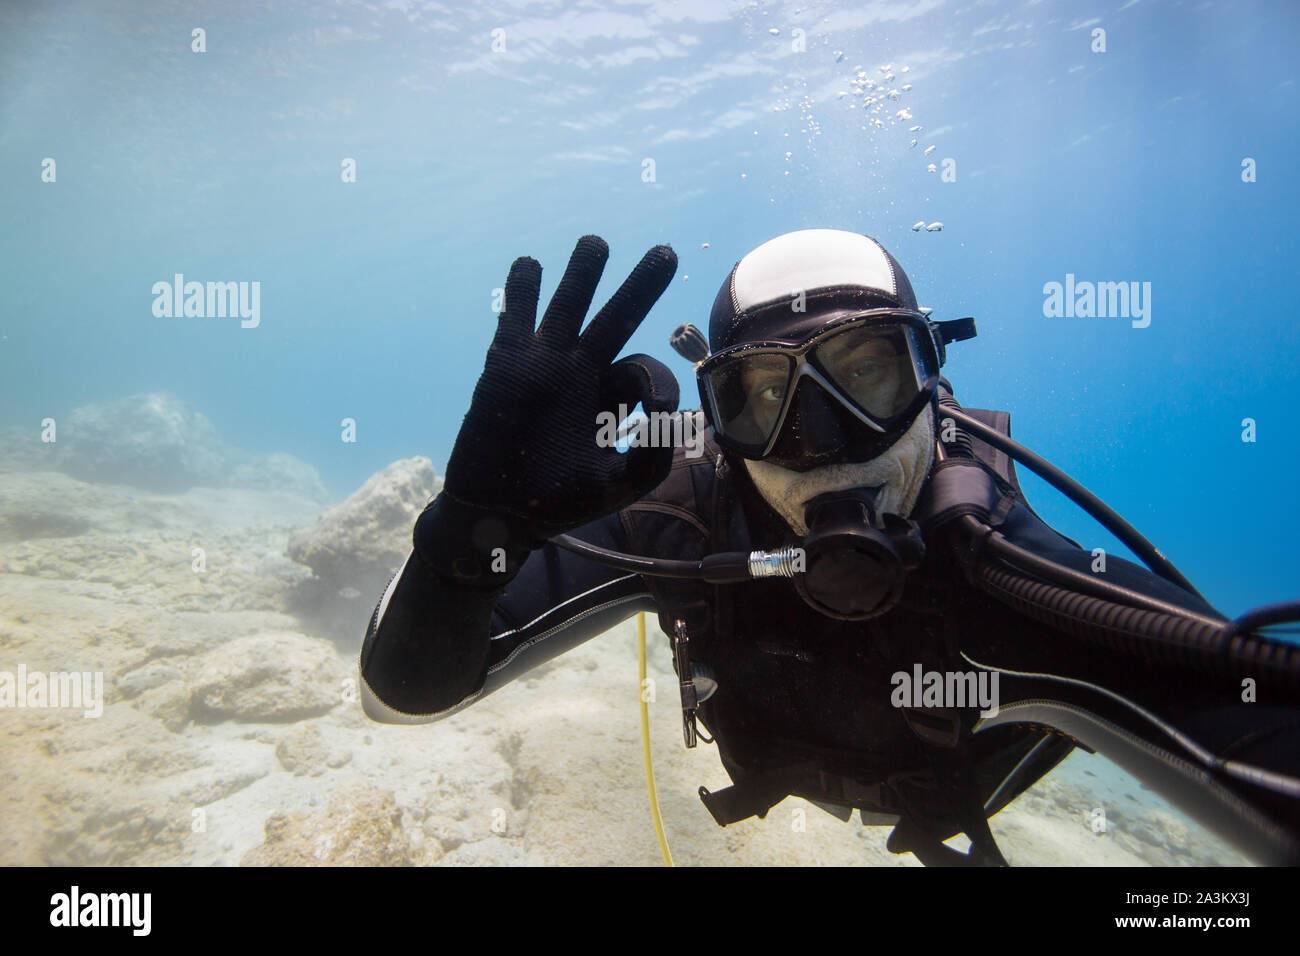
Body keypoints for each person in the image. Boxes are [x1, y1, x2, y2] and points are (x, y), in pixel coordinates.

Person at [358, 229, 1300, 866]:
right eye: (763, 399)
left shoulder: (1000, 571)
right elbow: (399, 696)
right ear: (714, 421)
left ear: (932, 378)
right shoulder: (677, 516)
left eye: (869, 375)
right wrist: (471, 532)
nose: (825, 442)